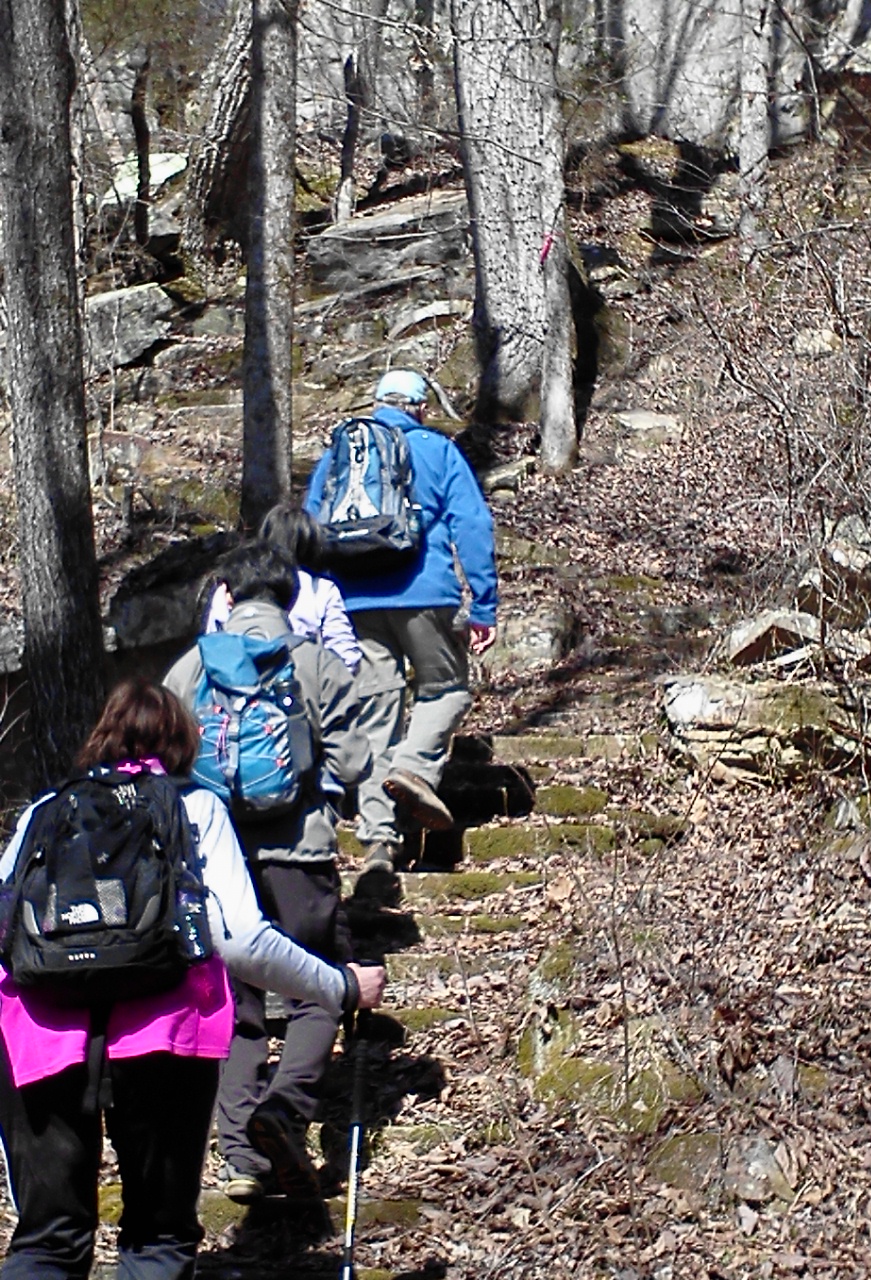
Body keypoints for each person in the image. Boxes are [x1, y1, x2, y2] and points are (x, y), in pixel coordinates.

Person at [0, 677, 385, 1280]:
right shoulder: (195, 808)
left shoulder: (43, 814)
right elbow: (241, 941)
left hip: (37, 1031)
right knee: (157, 1232)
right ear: (184, 743)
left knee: (47, 1240)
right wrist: (337, 986)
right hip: (164, 1034)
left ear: (99, 737)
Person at [164, 541, 372, 1204]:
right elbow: (359, 759)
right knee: (320, 989)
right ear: (289, 596)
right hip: (300, 855)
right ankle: (284, 1110)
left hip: (215, 859)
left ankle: (240, 1158)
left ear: (228, 592)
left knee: (237, 1001)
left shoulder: (194, 663)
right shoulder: (312, 660)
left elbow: (164, 758)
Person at [304, 368, 498, 873]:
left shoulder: (341, 452)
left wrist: (319, 595)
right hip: (425, 594)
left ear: (376, 404)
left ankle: (378, 845)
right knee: (447, 689)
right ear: (420, 408)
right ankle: (413, 769)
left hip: (354, 600)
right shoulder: (437, 450)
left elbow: (310, 522)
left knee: (376, 715)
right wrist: (483, 603)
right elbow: (472, 524)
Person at [204, 503, 361, 674]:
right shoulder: (322, 590)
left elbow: (211, 645)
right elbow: (345, 658)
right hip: (301, 685)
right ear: (312, 543)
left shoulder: (230, 586)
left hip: (235, 682)